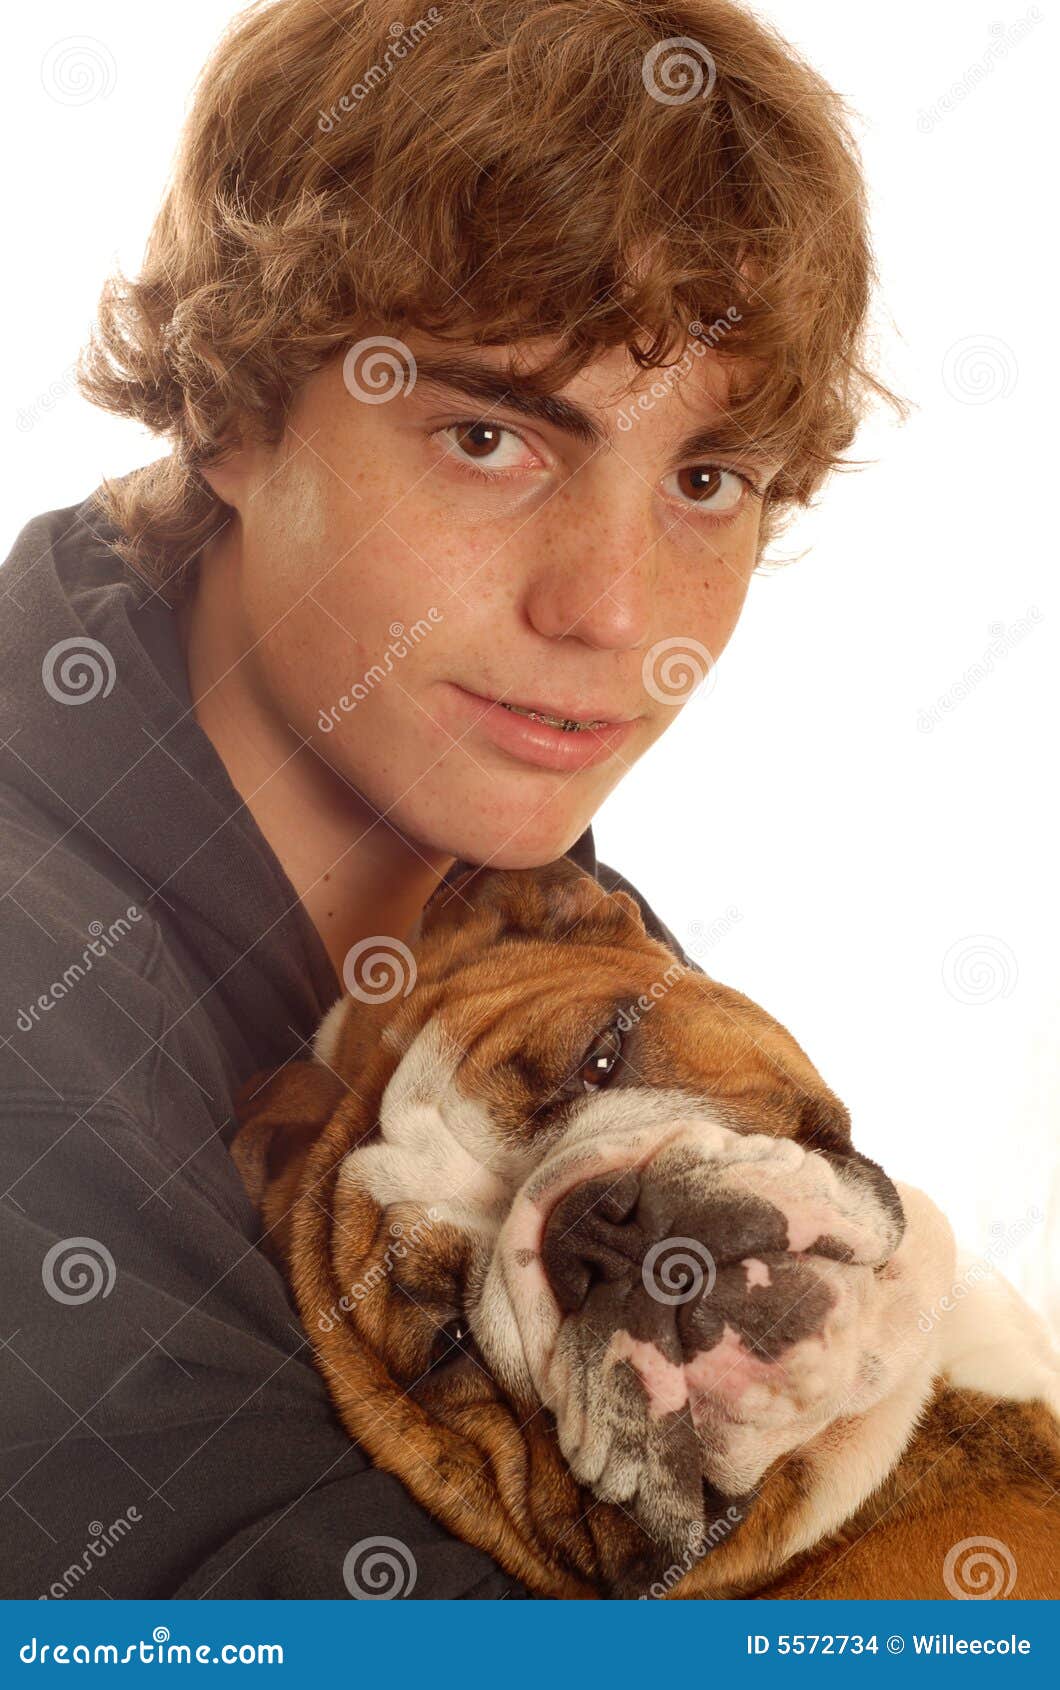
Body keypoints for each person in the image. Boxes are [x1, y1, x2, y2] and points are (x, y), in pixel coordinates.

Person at [0, 0, 902, 1598]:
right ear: (229, 408)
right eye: (488, 437)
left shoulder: (537, 914)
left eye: (706, 480)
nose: (616, 614)